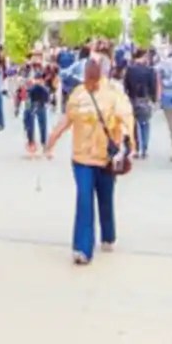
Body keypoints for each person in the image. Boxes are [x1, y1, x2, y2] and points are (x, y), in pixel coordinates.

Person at [43, 56, 133, 265]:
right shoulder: (80, 95)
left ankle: (107, 235)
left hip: (104, 156)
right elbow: (67, 120)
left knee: (103, 197)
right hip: (83, 157)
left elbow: (124, 118)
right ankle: (83, 247)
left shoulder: (111, 93)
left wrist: (127, 144)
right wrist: (51, 141)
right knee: (86, 199)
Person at [123, 49, 158, 159]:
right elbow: (153, 86)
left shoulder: (129, 70)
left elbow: (126, 85)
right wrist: (154, 98)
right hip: (144, 99)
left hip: (132, 99)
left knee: (132, 125)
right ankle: (144, 148)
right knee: (145, 124)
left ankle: (136, 148)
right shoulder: (150, 70)